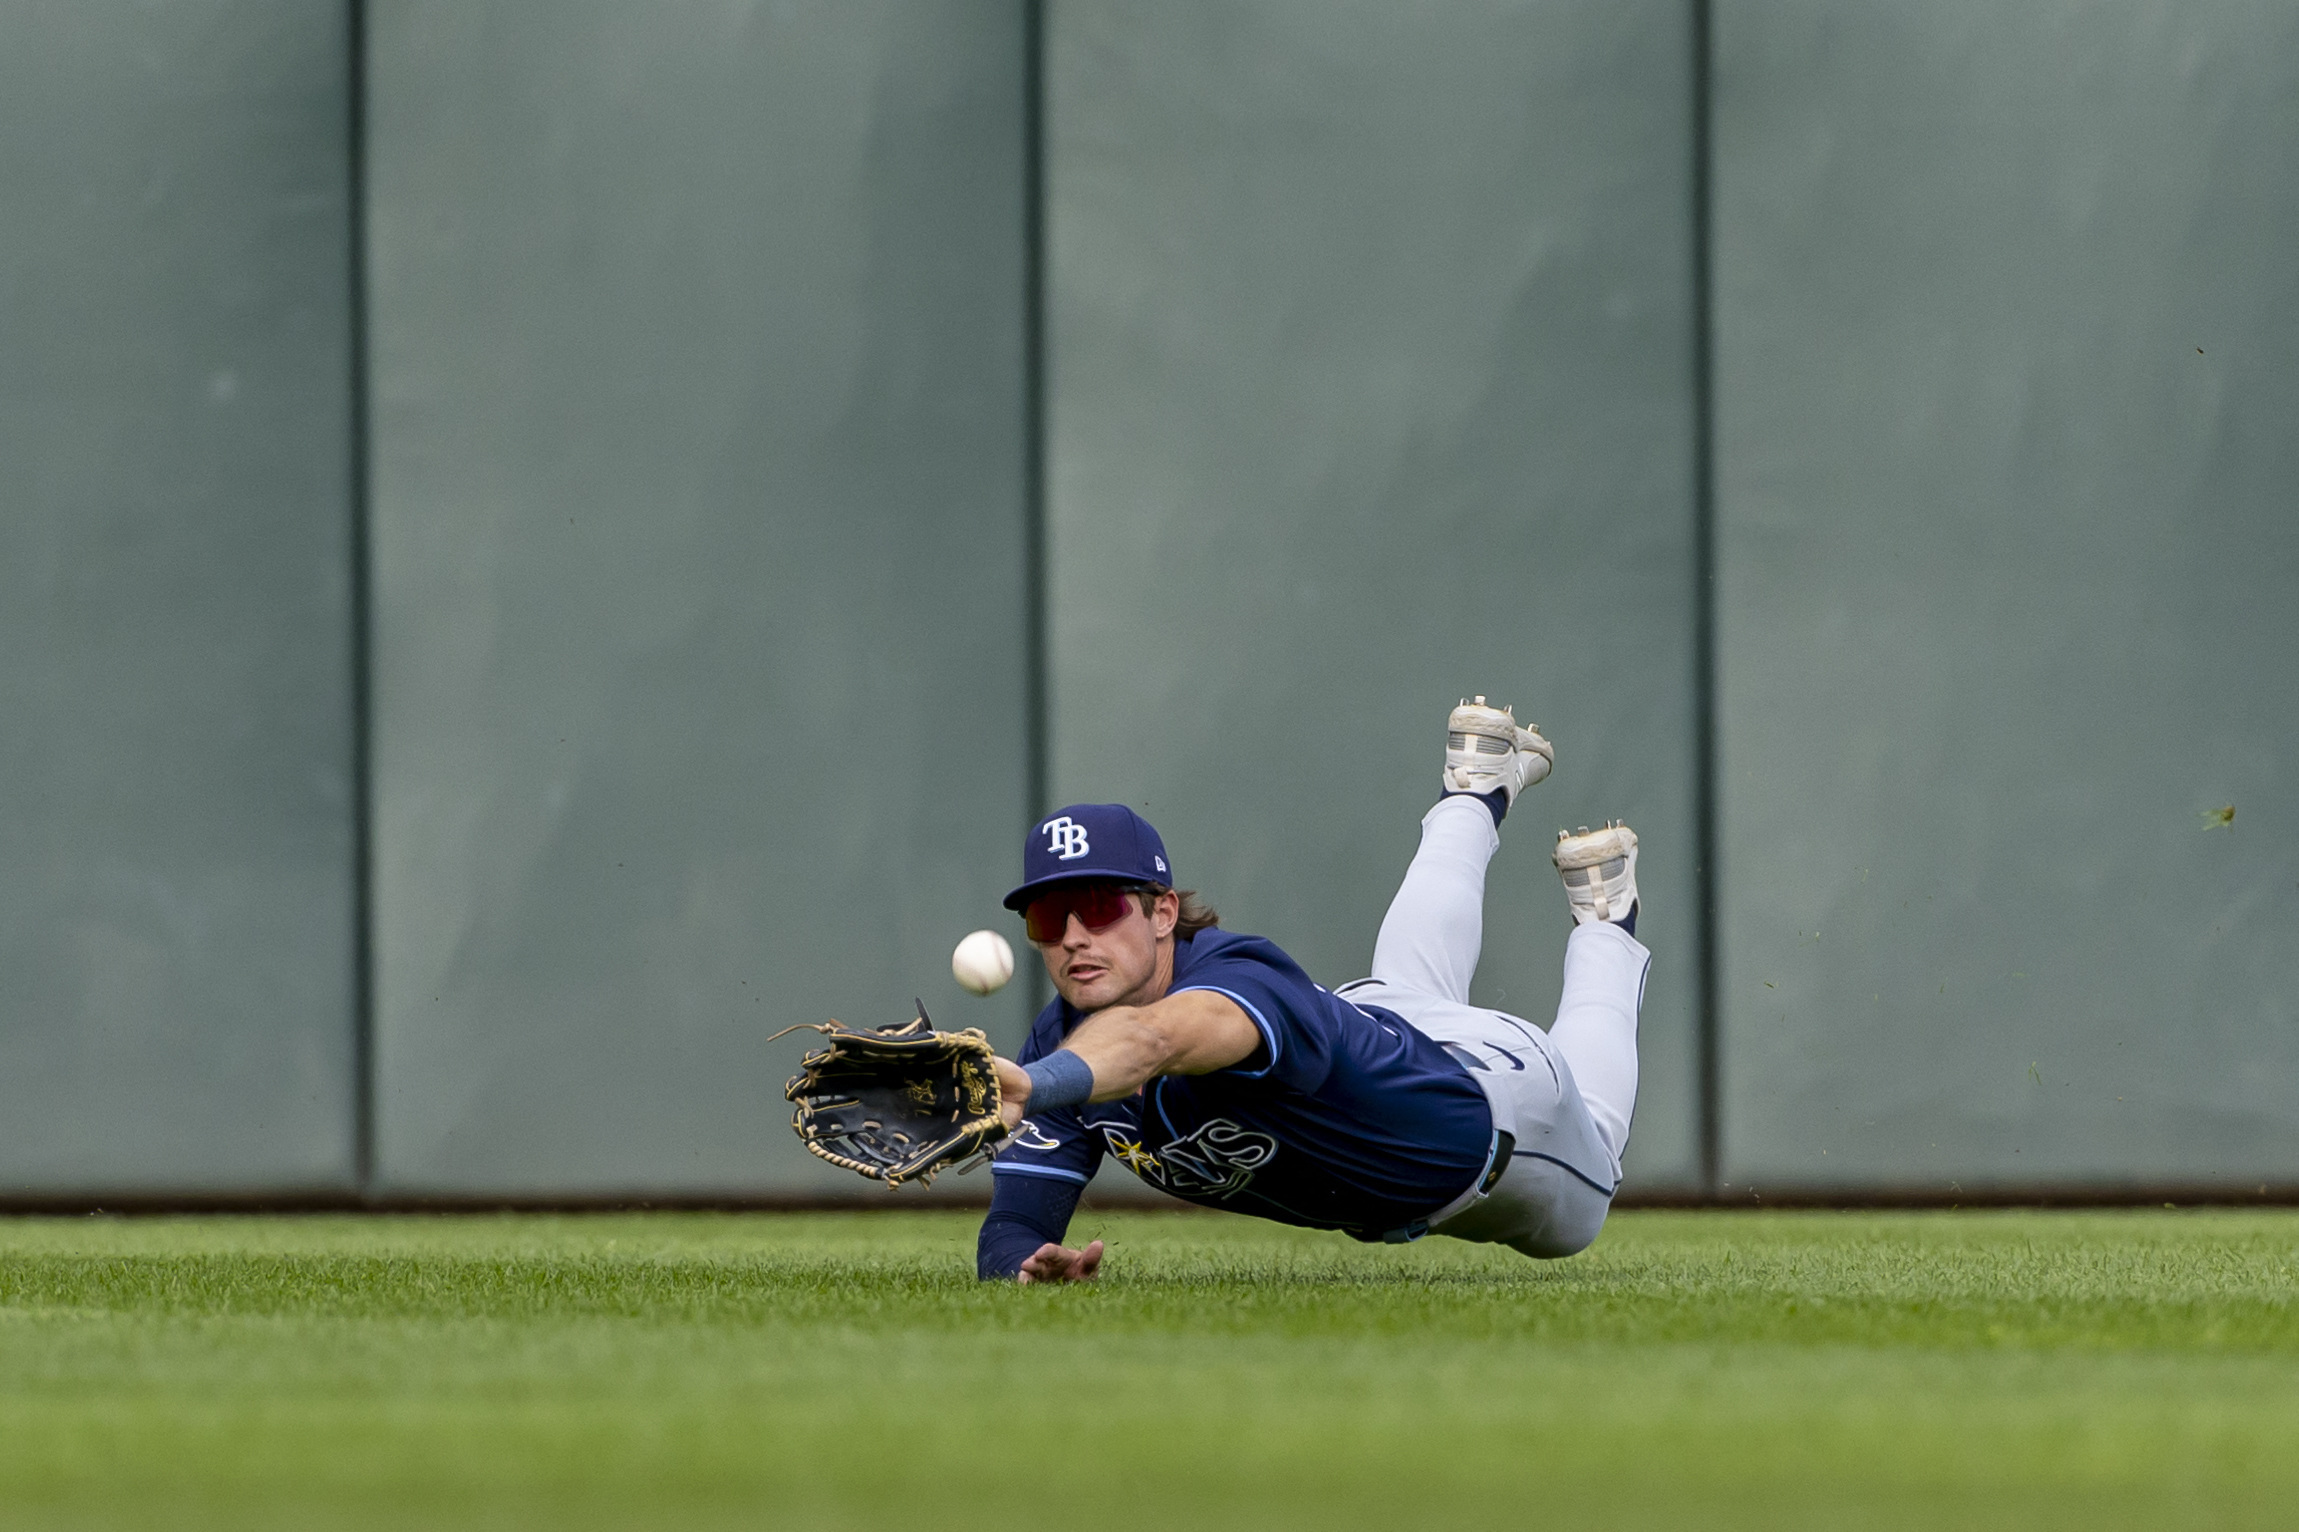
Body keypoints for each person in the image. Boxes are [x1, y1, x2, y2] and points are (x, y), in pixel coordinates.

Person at [978, 698, 1651, 1283]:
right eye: (1046, 917)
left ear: (1160, 912)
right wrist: (1021, 1268)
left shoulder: (1237, 984)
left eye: (1097, 907)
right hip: (1378, 1021)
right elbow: (1016, 1220)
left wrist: (1036, 1084)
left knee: (1590, 1160)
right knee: (1404, 977)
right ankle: (1475, 790)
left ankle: (1605, 922)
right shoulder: (1059, 1045)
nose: (1071, 937)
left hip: (1502, 1112)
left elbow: (1155, 1039)